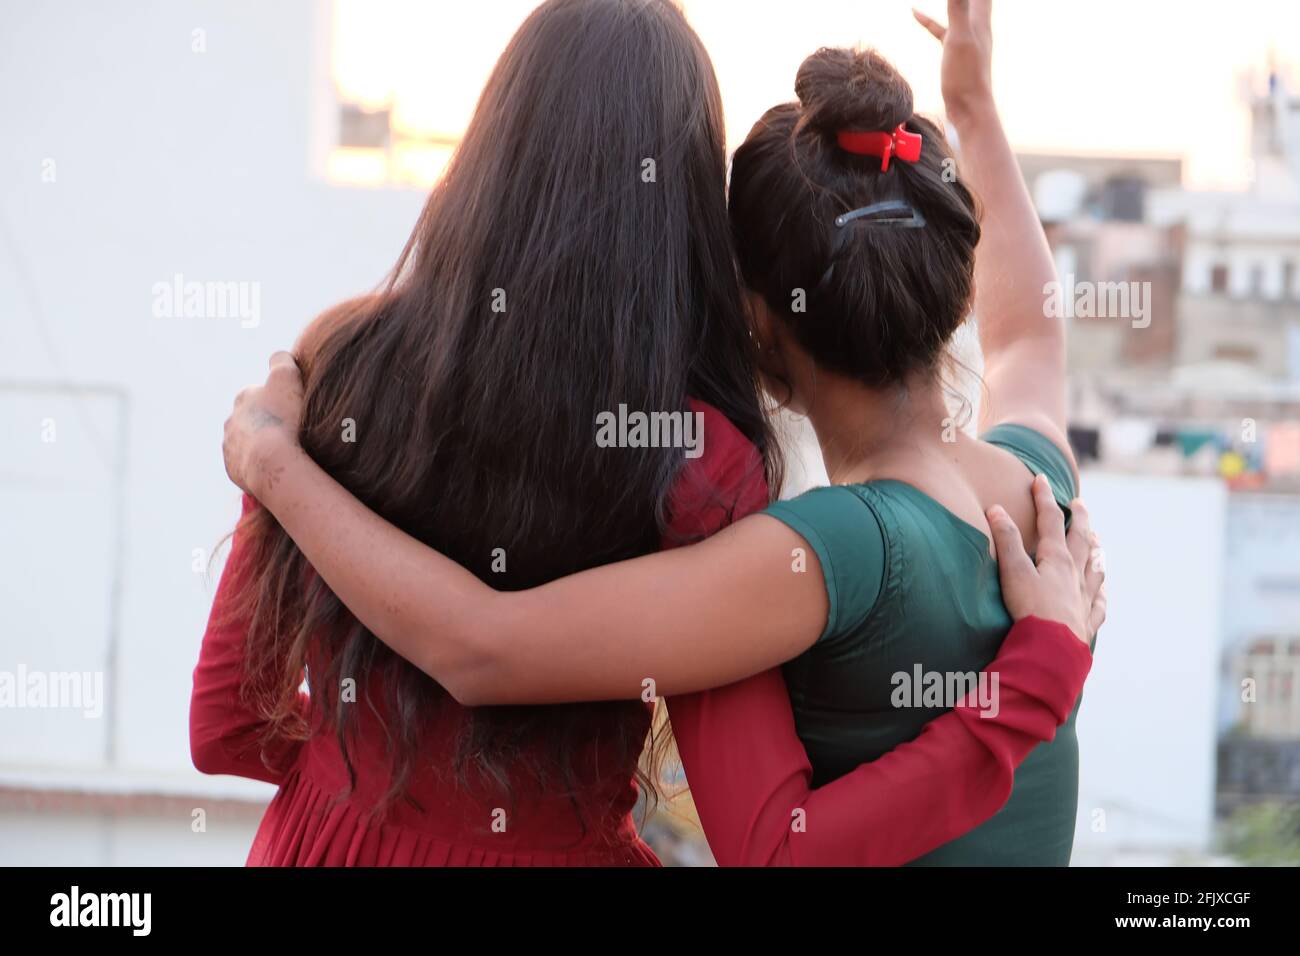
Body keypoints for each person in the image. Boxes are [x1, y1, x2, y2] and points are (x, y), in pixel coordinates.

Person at [213, 0, 1104, 866]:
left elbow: (414, 668)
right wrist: (976, 112)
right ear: (952, 283)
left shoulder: (817, 549)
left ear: (759, 315)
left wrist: (272, 465)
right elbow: (1030, 334)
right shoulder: (1032, 489)